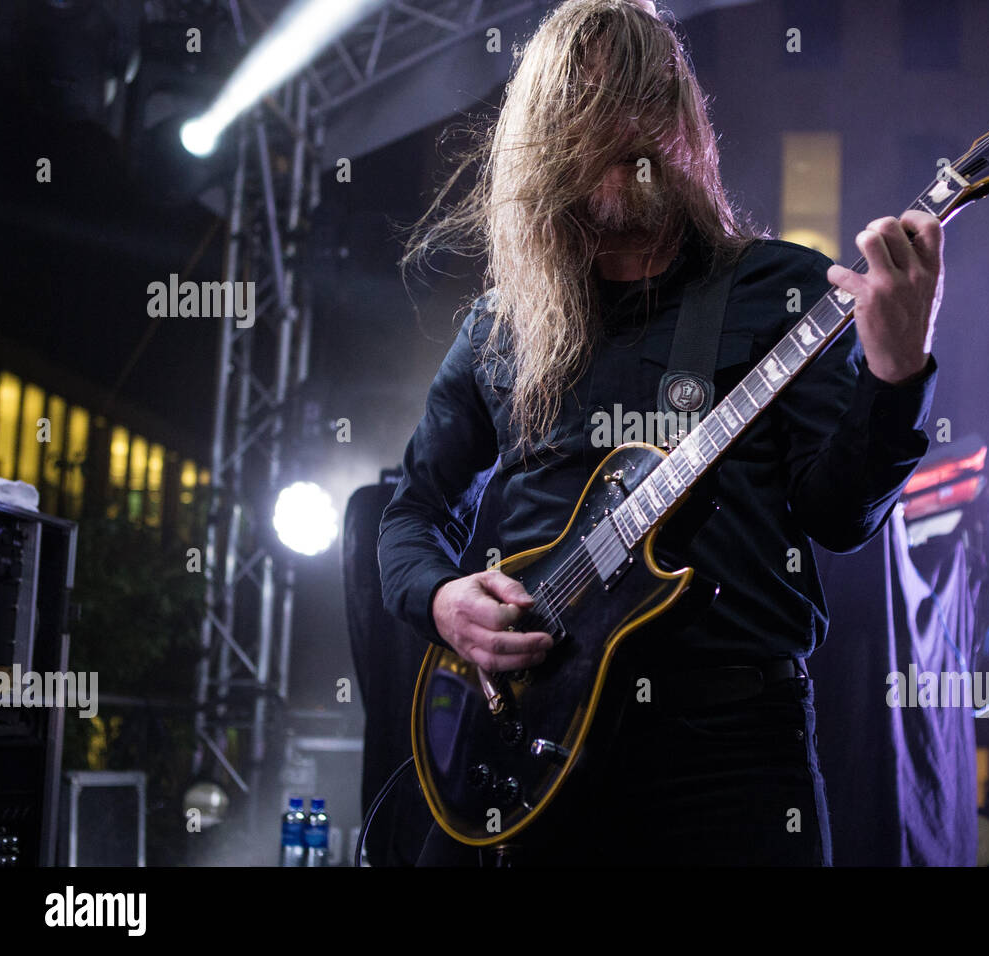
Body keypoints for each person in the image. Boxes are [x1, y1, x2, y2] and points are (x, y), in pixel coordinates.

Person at [377, 0, 942, 866]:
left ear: (682, 123)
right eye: (588, 104)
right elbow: (411, 515)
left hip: (729, 747)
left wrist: (896, 375)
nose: (620, 126)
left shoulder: (781, 288)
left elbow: (837, 513)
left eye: (642, 99)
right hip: (532, 738)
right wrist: (441, 600)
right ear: (546, 133)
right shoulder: (502, 327)